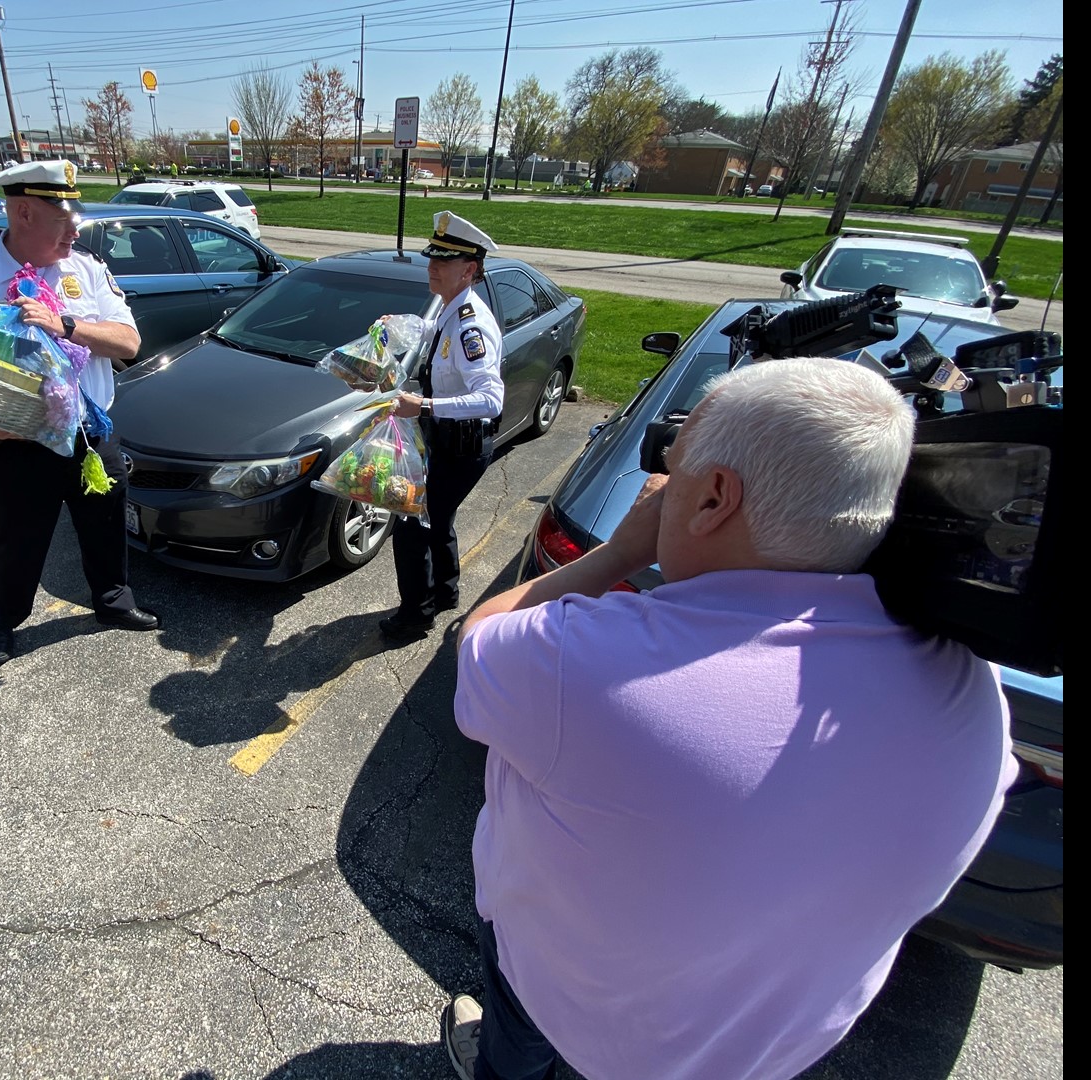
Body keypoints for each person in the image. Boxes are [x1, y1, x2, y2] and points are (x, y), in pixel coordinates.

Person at [440, 357, 1018, 1080]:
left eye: (674, 473)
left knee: (513, 1052)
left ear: (715, 496)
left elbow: (479, 638)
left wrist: (625, 548)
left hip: (558, 989)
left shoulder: (584, 662)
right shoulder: (972, 691)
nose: (659, 489)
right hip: (745, 1054)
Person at [0, 159, 161, 668]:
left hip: (89, 437)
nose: (76, 229)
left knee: (105, 524)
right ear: (24, 212)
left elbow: (130, 343)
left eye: (75, 216)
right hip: (13, 441)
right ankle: (4, 621)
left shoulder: (87, 270)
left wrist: (64, 323)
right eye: (63, 218)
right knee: (15, 541)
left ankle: (113, 602)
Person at [379, 211, 505, 642]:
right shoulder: (453, 309)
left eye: (444, 261)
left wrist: (425, 406)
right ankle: (445, 593)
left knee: (412, 525)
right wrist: (396, 327)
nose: (431, 266)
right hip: (450, 443)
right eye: (432, 257)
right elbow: (433, 332)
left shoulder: (472, 326)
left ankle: (416, 616)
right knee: (437, 518)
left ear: (469, 269)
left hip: (463, 447)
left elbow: (491, 399)